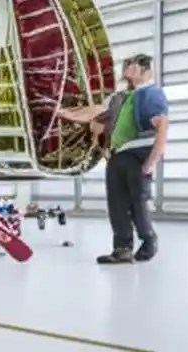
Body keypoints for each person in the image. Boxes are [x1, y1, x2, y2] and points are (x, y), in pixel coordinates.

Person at [57, 53, 168, 264]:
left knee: (137, 201)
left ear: (147, 71)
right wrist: (63, 112)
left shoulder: (152, 94)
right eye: (127, 66)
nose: (128, 69)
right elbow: (93, 112)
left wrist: (153, 160)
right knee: (116, 203)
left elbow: (162, 126)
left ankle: (149, 239)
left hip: (139, 153)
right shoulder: (119, 97)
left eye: (133, 66)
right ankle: (122, 249)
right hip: (118, 154)